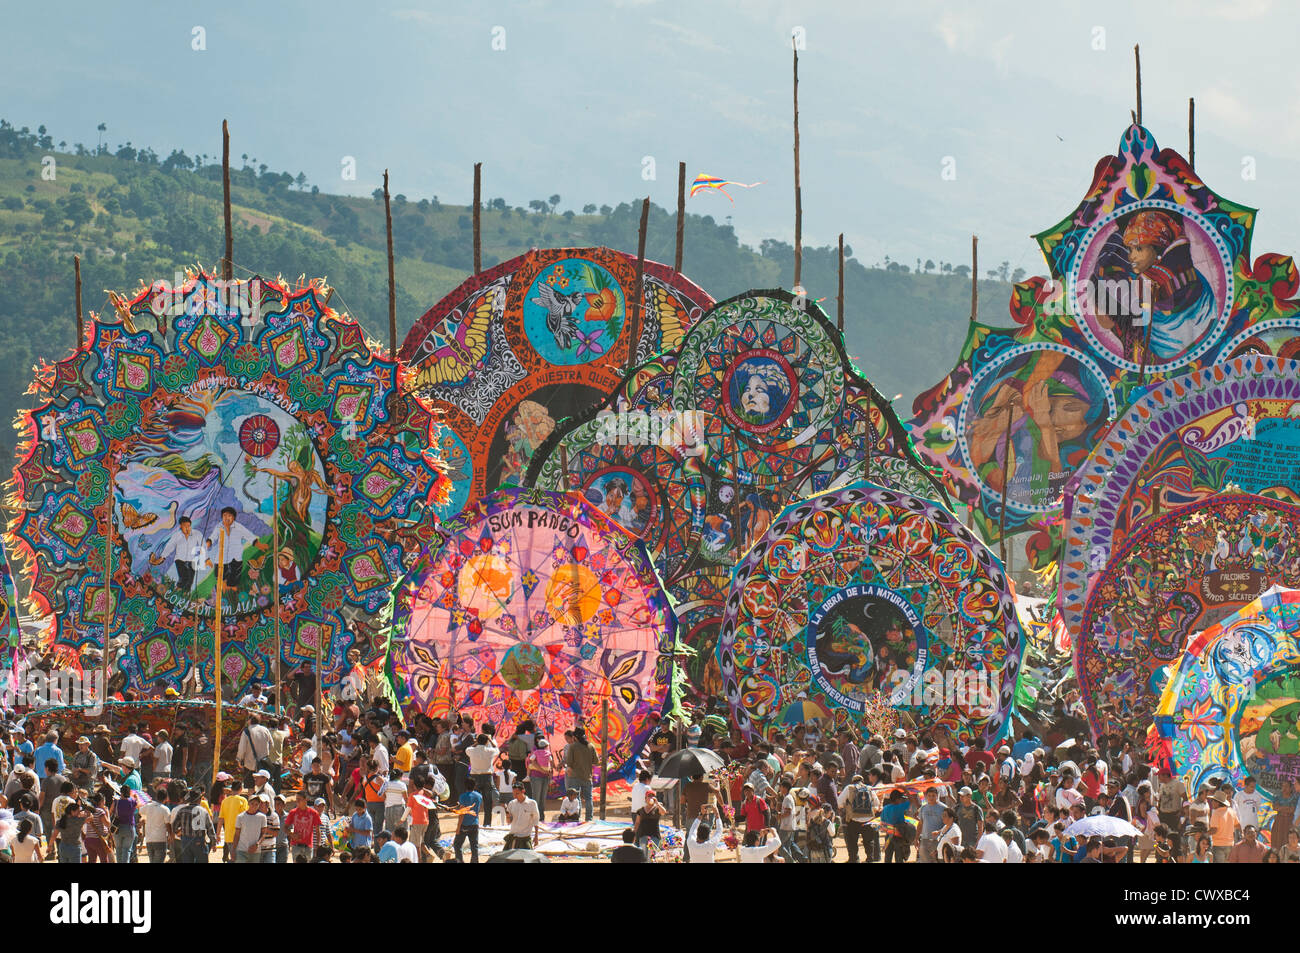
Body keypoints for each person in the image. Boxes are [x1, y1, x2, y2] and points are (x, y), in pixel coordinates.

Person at [172, 789, 216, 863]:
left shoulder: (182, 810)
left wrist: (179, 833)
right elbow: (210, 828)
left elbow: (174, 826)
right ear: (199, 799)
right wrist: (213, 842)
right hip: (199, 841)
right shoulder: (203, 811)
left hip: (185, 841)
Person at [564, 729, 598, 822]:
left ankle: (577, 816)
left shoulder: (573, 747)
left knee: (576, 797)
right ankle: (589, 819)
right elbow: (596, 761)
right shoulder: (591, 746)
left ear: (574, 737)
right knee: (588, 798)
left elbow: (569, 762)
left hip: (574, 777)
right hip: (587, 776)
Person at [465, 733, 498, 825]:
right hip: (487, 776)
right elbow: (497, 749)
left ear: (477, 741)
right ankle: (487, 823)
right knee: (488, 801)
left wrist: (476, 743)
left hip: (474, 777)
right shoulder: (490, 751)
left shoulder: (472, 750)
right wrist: (490, 740)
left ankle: (473, 822)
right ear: (487, 742)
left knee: (474, 801)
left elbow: (467, 749)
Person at [285, 791, 322, 862]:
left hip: (308, 846)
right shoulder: (293, 812)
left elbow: (318, 830)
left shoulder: (313, 813)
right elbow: (285, 827)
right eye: (296, 799)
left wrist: (318, 844)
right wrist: (291, 834)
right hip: (296, 845)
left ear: (306, 799)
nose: (297, 801)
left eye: (299, 799)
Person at [504, 780, 540, 850]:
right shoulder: (511, 803)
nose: (515, 796)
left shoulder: (532, 803)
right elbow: (509, 822)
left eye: (517, 793)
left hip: (524, 838)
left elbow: (536, 820)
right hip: (513, 836)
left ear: (523, 791)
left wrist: (536, 836)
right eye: (513, 794)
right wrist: (507, 815)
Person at [453, 777, 482, 863]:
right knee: (474, 846)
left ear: (465, 786)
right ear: (474, 785)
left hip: (464, 824)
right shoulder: (479, 796)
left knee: (457, 845)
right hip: (474, 823)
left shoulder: (462, 796)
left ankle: (459, 861)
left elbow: (462, 813)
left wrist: (458, 827)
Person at [141, 787, 172, 863]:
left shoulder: (148, 806)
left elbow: (140, 810)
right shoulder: (165, 809)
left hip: (149, 840)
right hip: (160, 839)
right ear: (166, 798)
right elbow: (168, 824)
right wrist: (171, 835)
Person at [526, 736, 554, 821]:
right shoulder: (548, 753)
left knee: (536, 797)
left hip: (536, 776)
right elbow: (551, 762)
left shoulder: (536, 752)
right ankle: (541, 817)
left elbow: (531, 761)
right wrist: (548, 772)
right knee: (542, 798)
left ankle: (536, 817)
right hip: (545, 777)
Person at [233, 797, 268, 863]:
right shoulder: (240, 817)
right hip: (242, 850)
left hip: (255, 851)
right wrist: (233, 850)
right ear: (248, 803)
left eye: (256, 804)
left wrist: (257, 845)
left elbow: (263, 834)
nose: (254, 806)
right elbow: (237, 834)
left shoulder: (262, 817)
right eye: (252, 803)